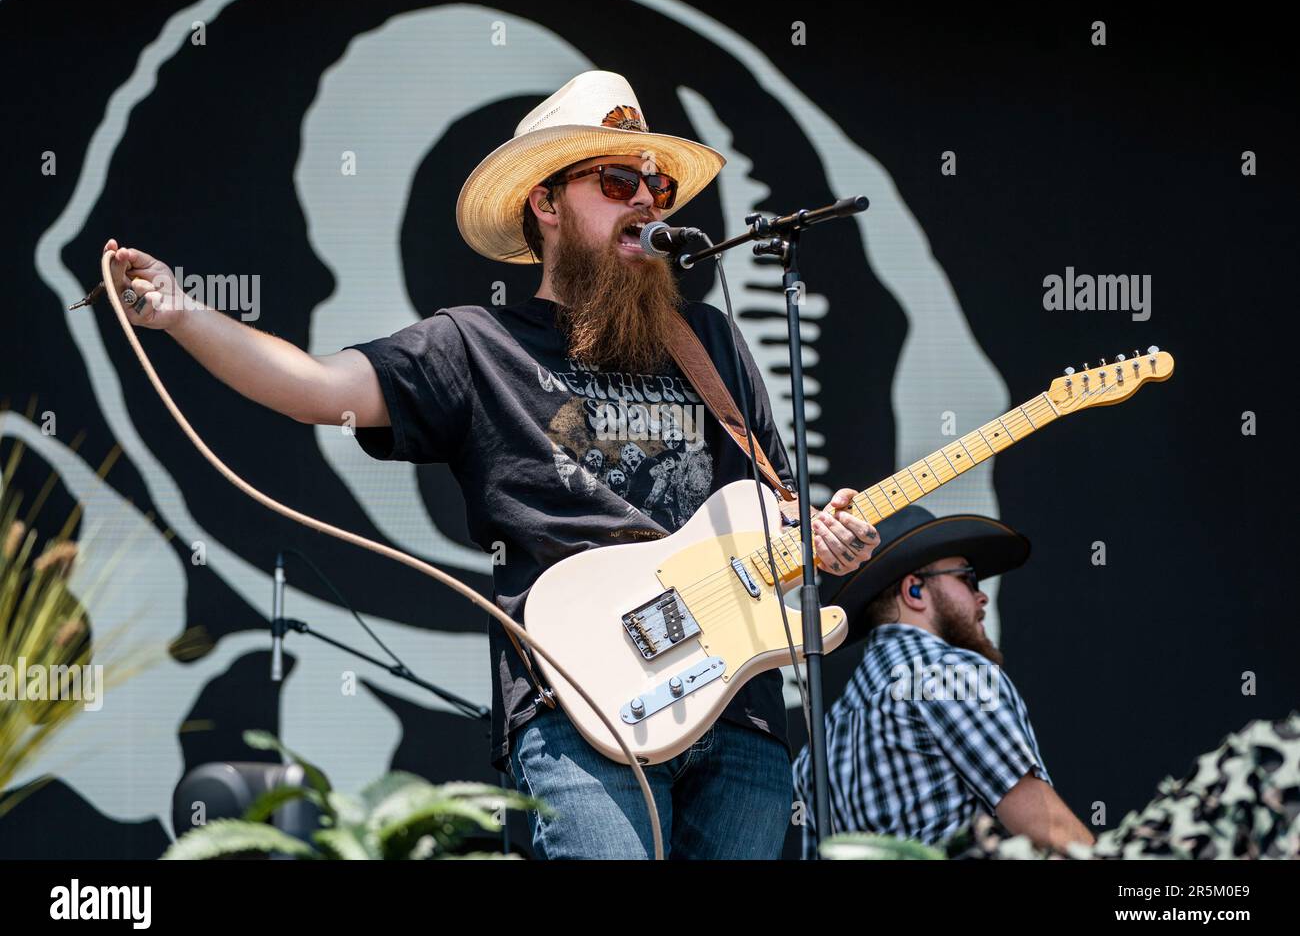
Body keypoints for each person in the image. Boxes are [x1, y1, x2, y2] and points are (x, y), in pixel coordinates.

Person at [102, 70, 881, 859]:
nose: (646, 199)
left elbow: (770, 509)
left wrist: (821, 536)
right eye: (617, 180)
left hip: (739, 714)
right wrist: (182, 313)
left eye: (660, 184)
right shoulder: (477, 344)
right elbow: (315, 386)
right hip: (586, 709)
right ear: (544, 204)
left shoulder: (709, 341)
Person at [793, 505, 1095, 858]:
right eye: (967, 578)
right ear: (915, 591)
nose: (981, 596)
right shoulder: (953, 675)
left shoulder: (817, 747)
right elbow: (1054, 833)